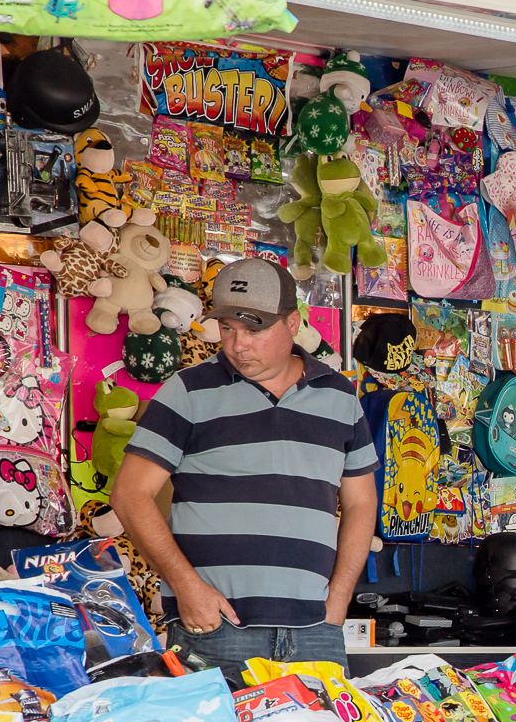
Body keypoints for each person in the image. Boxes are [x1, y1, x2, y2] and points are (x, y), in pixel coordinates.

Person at [110, 256, 377, 688]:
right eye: (228, 328)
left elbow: (362, 502)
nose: (238, 345)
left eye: (254, 329)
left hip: (315, 632)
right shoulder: (188, 390)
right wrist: (187, 587)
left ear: (293, 323)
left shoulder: (339, 396)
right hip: (215, 629)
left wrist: (339, 601)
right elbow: (129, 495)